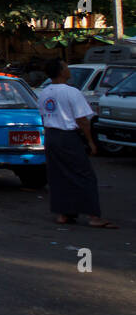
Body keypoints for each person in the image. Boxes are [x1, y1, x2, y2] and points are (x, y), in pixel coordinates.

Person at [37, 59, 117, 228]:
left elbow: (44, 116)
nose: (68, 70)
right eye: (65, 67)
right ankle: (93, 216)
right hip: (67, 136)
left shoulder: (45, 92)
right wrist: (90, 141)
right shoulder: (71, 92)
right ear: (60, 72)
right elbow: (83, 120)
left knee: (58, 175)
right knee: (84, 175)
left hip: (52, 135)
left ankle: (64, 213)